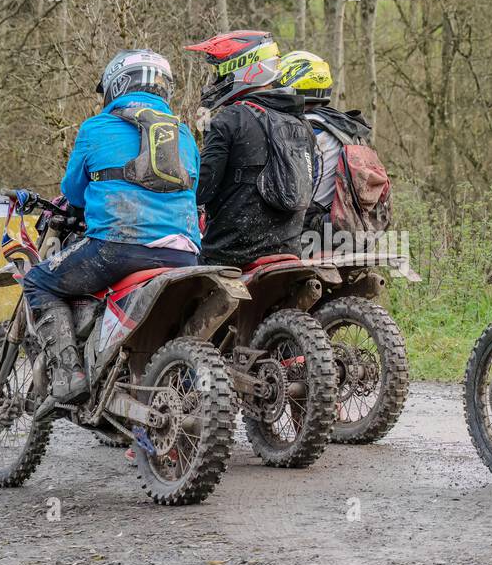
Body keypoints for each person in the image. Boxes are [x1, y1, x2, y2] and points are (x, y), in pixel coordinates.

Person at [21, 49, 201, 407]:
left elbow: (73, 192)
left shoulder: (96, 128)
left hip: (118, 248)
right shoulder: (185, 134)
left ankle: (68, 374)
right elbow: (193, 191)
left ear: (117, 85)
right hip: (185, 253)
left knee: (38, 281)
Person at [184, 31, 317, 267]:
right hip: (289, 250)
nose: (217, 80)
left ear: (244, 68)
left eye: (222, 72)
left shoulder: (231, 118)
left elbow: (201, 190)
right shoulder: (302, 123)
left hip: (231, 253)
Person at [276, 50, 375, 233]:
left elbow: (292, 193)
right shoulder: (343, 126)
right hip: (347, 224)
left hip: (313, 229)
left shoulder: (304, 130)